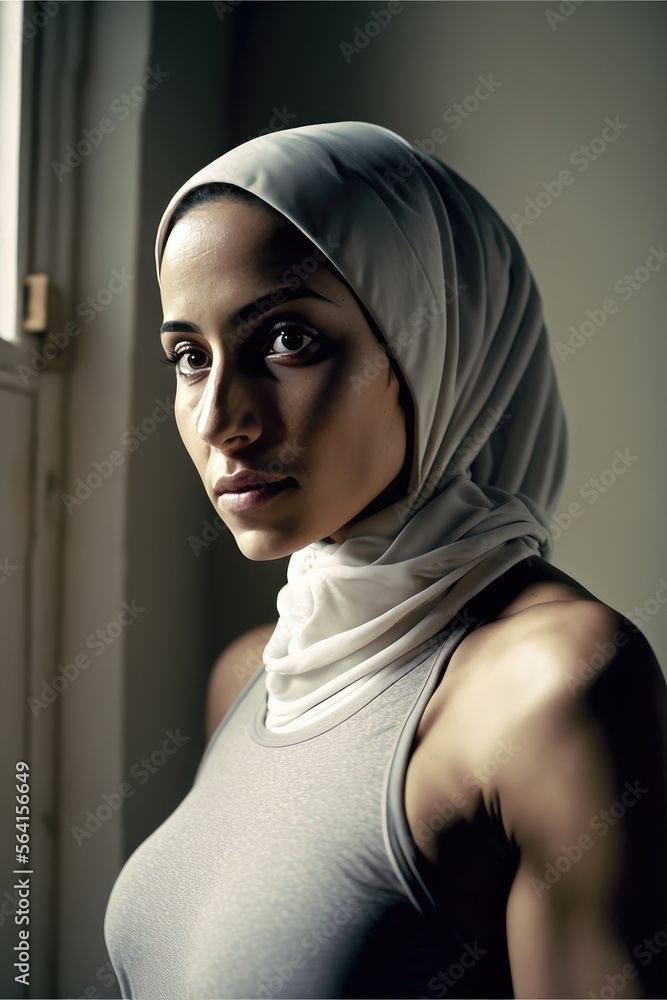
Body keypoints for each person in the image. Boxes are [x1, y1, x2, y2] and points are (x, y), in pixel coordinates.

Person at [104, 121, 667, 999]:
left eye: (286, 339)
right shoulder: (253, 674)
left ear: (433, 350)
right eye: (189, 357)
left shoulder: (551, 683)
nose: (219, 419)